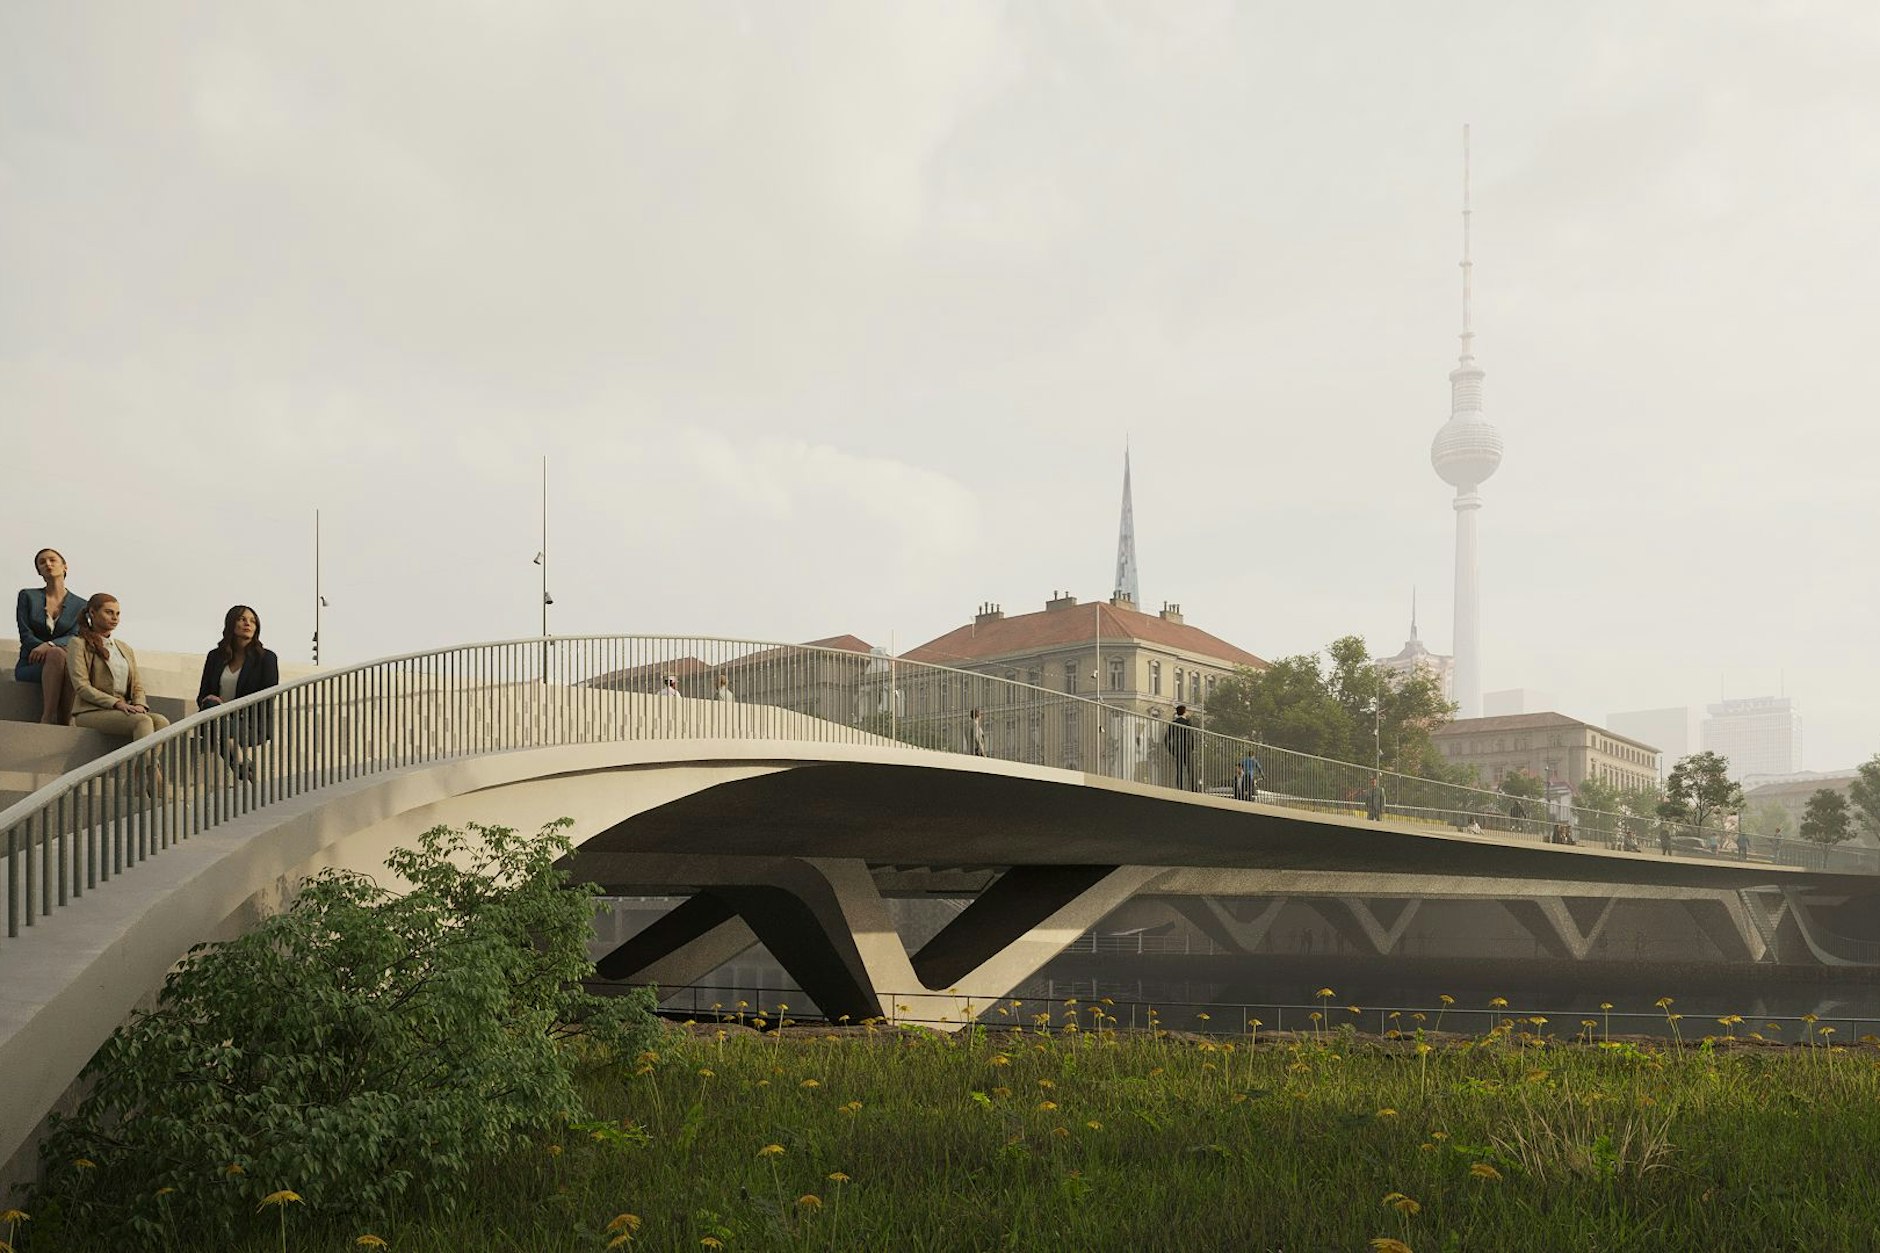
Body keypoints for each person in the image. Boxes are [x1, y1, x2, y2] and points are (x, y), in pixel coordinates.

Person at [65, 593, 171, 765]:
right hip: (91, 711)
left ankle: (139, 775)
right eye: (109, 612)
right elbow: (82, 687)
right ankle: (150, 777)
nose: (114, 618)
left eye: (118, 613)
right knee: (143, 721)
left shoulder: (124, 648)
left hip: (124, 708)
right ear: (92, 612)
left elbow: (137, 685)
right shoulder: (78, 644)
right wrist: (115, 703)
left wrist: (139, 704)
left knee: (162, 722)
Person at [195, 605, 280, 781]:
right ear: (231, 623)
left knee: (217, 723)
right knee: (210, 705)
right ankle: (240, 761)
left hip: (251, 724)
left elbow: (267, 697)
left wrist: (230, 709)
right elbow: (202, 695)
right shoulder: (215, 657)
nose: (248, 624)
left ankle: (238, 761)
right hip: (216, 718)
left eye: (252, 621)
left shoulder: (267, 659)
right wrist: (212, 702)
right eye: (242, 619)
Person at [14, 547, 85, 724]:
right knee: (58, 654)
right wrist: (43, 648)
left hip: (64, 664)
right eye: (42, 562)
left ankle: (64, 718)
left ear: (65, 567)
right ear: (39, 571)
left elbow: (76, 635)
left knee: (61, 655)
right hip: (31, 664)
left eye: (52, 560)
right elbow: (25, 633)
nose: (47, 564)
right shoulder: (27, 596)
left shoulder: (81, 605)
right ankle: (49, 715)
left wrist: (50, 646)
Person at [1164, 705, 1197, 790]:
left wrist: (1172, 750)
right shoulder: (1188, 723)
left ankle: (1180, 788)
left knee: (1179, 770)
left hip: (1178, 750)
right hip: (1187, 749)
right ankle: (1193, 788)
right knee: (1191, 770)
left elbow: (1166, 739)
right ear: (1185, 712)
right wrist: (1192, 748)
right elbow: (1191, 736)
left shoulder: (1174, 723)